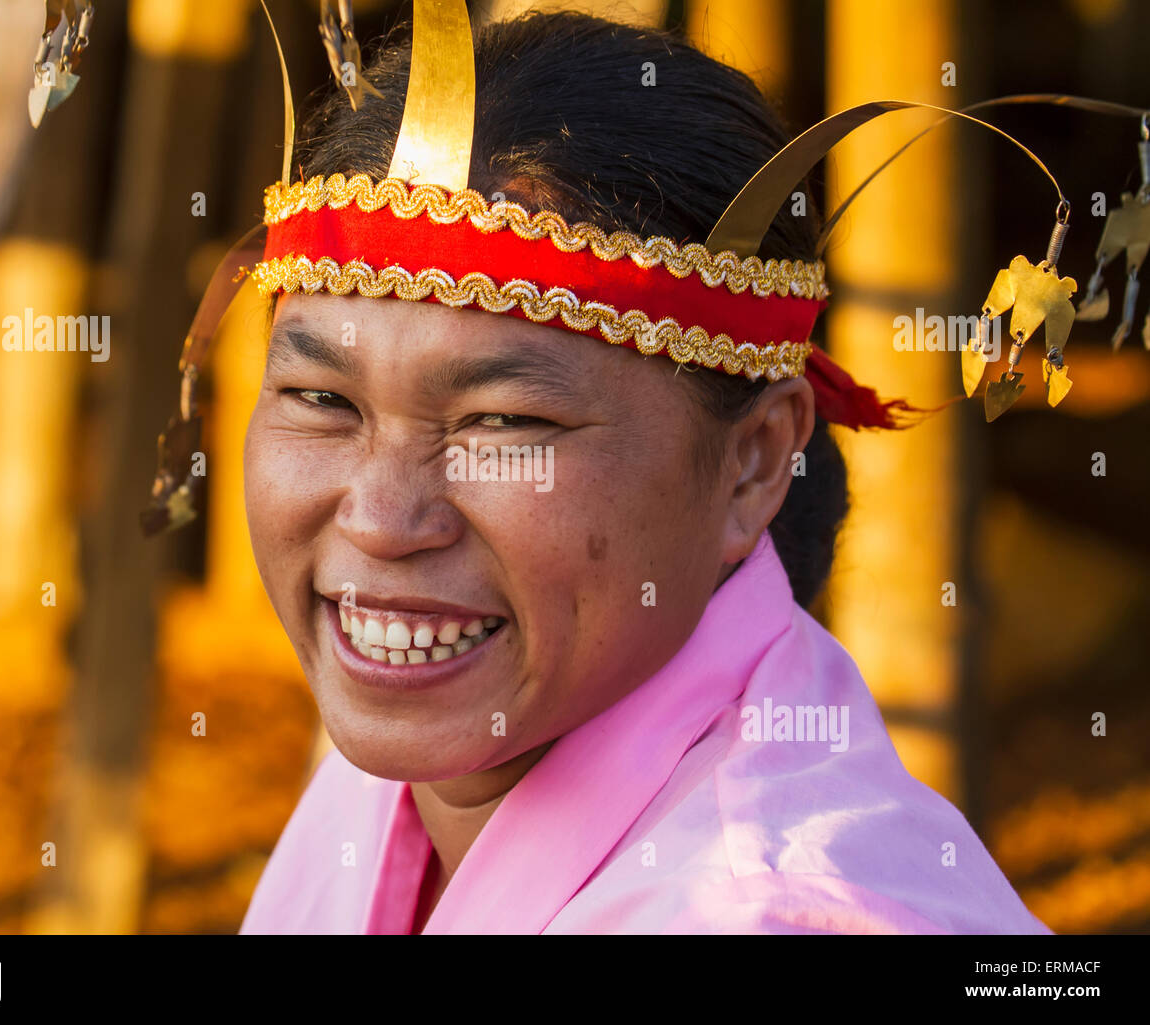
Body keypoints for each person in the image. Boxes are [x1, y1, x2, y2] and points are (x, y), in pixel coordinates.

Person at [230, 8, 1049, 934]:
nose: (380, 519)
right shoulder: (411, 759)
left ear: (752, 461)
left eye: (504, 420)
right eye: (323, 399)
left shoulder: (765, 914)